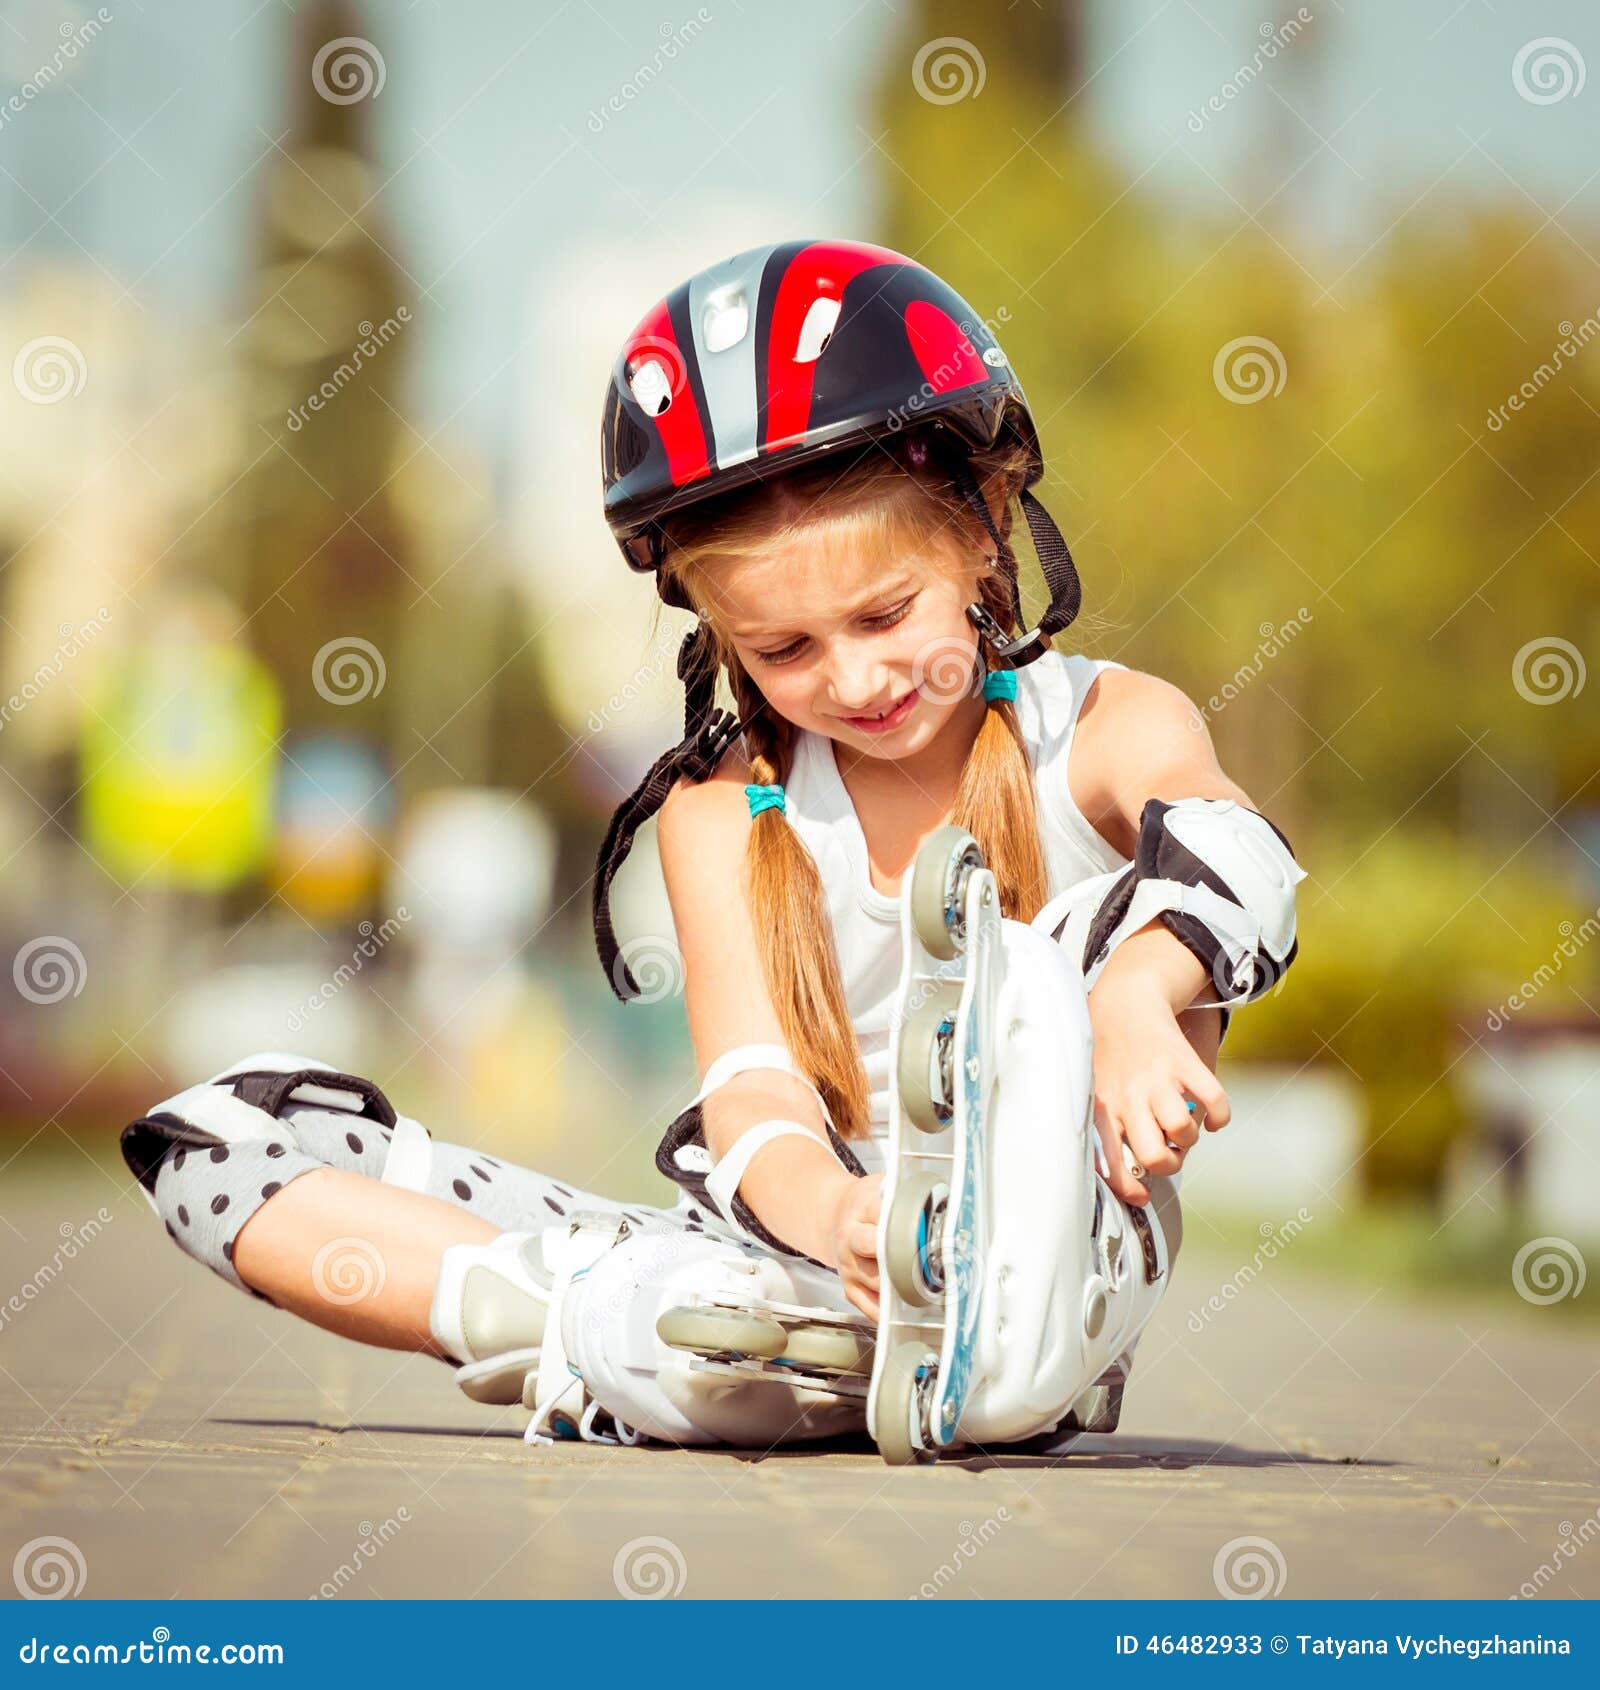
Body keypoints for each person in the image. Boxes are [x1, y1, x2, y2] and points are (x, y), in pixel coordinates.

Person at [121, 239, 1306, 1453]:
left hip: (1052, 1249)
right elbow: (754, 1095)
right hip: (802, 1258)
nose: (855, 679)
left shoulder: (1106, 729)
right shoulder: (717, 813)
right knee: (218, 1136)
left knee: (1115, 915)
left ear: (983, 524)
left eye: (884, 614)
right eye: (785, 650)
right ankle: (651, 1329)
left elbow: (1250, 862)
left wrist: (1137, 992)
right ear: (717, 631)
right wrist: (840, 1217)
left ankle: (754, 1335)